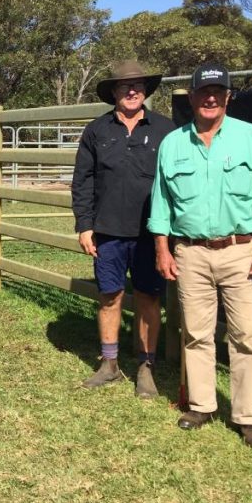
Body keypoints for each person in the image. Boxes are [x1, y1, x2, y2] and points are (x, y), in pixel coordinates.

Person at [149, 63, 252, 448]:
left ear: (227, 96)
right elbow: (161, 203)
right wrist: (163, 249)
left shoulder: (251, 139)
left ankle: (247, 416)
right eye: (203, 91)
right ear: (190, 97)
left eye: (218, 91)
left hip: (241, 251)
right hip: (190, 253)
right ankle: (202, 405)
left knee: (246, 335)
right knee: (195, 333)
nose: (210, 98)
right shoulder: (173, 144)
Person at [72, 60, 176, 397]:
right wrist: (85, 225)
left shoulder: (166, 130)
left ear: (145, 91)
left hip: (151, 233)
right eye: (124, 86)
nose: (131, 91)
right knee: (109, 295)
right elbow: (83, 181)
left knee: (149, 297)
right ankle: (110, 363)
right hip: (108, 231)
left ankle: (146, 366)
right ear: (114, 92)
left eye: (137, 85)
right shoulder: (97, 130)